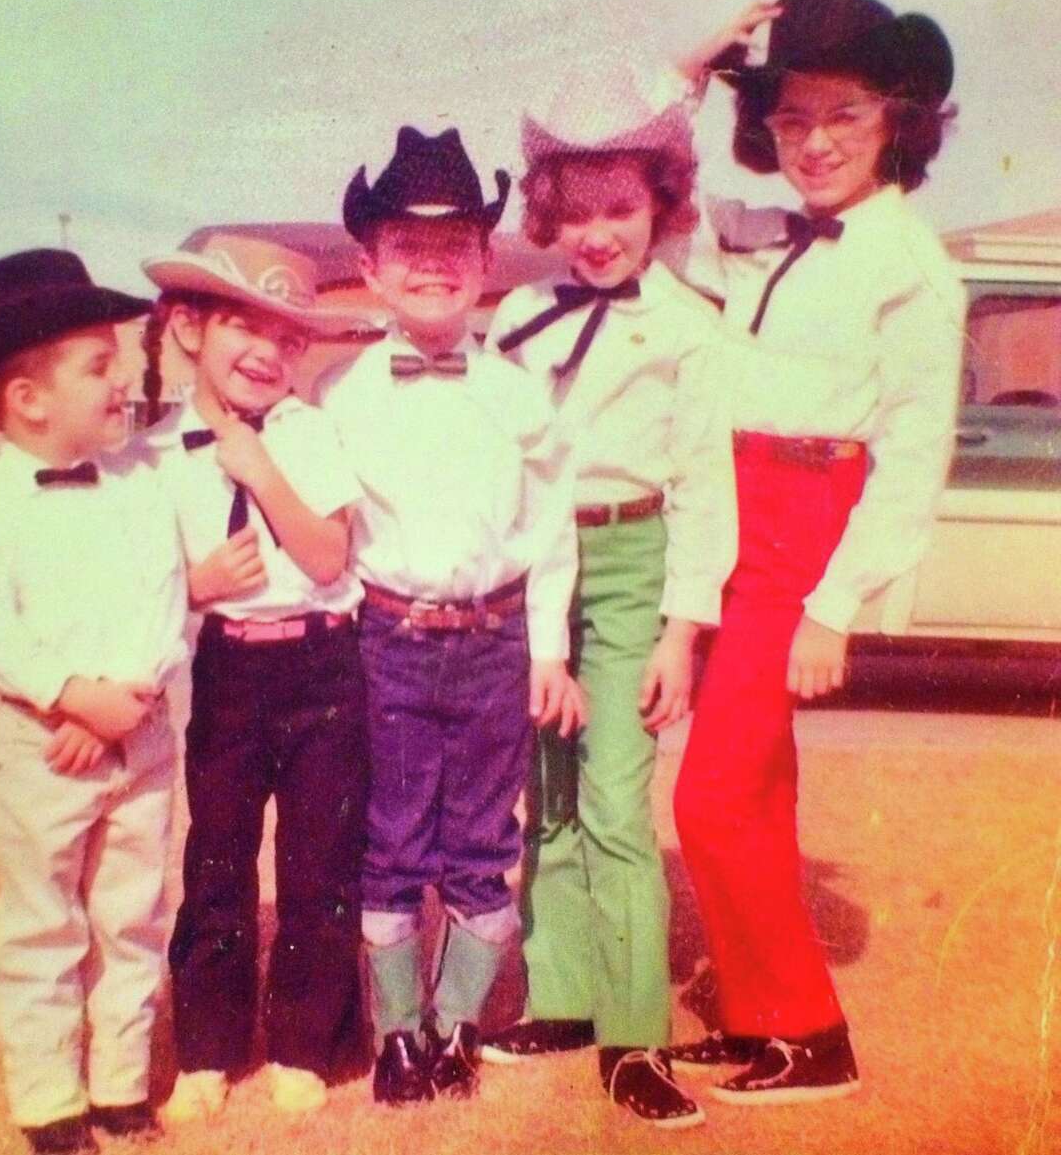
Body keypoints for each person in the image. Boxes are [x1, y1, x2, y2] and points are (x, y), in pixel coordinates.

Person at [668, 0, 964, 1103]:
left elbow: (911, 453)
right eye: (791, 120)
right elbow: (657, 179)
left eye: (842, 113)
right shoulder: (761, 240)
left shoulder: (913, 268)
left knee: (708, 797)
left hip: (806, 533)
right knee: (754, 795)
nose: (816, 142)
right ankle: (756, 1023)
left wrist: (832, 605)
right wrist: (696, 60)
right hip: (735, 517)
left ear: (896, 118)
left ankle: (810, 1031)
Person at [480, 64, 736, 1128]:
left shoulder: (689, 323)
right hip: (536, 572)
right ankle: (564, 995)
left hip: (632, 565)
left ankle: (635, 1039)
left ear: (660, 205)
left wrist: (681, 633)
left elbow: (704, 487)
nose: (596, 234)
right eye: (575, 212)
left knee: (618, 800)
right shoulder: (520, 317)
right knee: (549, 796)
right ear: (546, 215)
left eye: (620, 208)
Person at [318, 125, 581, 1105]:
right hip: (385, 638)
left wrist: (548, 649)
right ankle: (396, 1033)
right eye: (408, 252)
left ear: (487, 263)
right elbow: (330, 540)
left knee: (480, 840)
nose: (432, 268)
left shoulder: (519, 395)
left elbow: (552, 531)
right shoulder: (346, 400)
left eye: (454, 250)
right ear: (372, 269)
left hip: (493, 642)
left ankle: (455, 1025)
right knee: (389, 838)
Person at [0, 249, 188, 1154]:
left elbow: (165, 596)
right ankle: (49, 1101)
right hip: (43, 747)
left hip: (141, 735)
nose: (124, 378)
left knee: (132, 914)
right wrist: (73, 701)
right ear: (27, 398)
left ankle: (119, 1086)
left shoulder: (138, 487)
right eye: (100, 364)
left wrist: (130, 693)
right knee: (45, 923)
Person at [138, 231, 372, 1124]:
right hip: (229, 665)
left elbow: (325, 554)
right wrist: (198, 585)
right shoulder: (156, 452)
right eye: (245, 325)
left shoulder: (312, 435)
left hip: (322, 663)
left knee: (319, 859)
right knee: (219, 859)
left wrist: (261, 470)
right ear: (190, 328)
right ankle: (206, 1049)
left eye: (288, 337)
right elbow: (151, 583)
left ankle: (307, 1042)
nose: (268, 353)